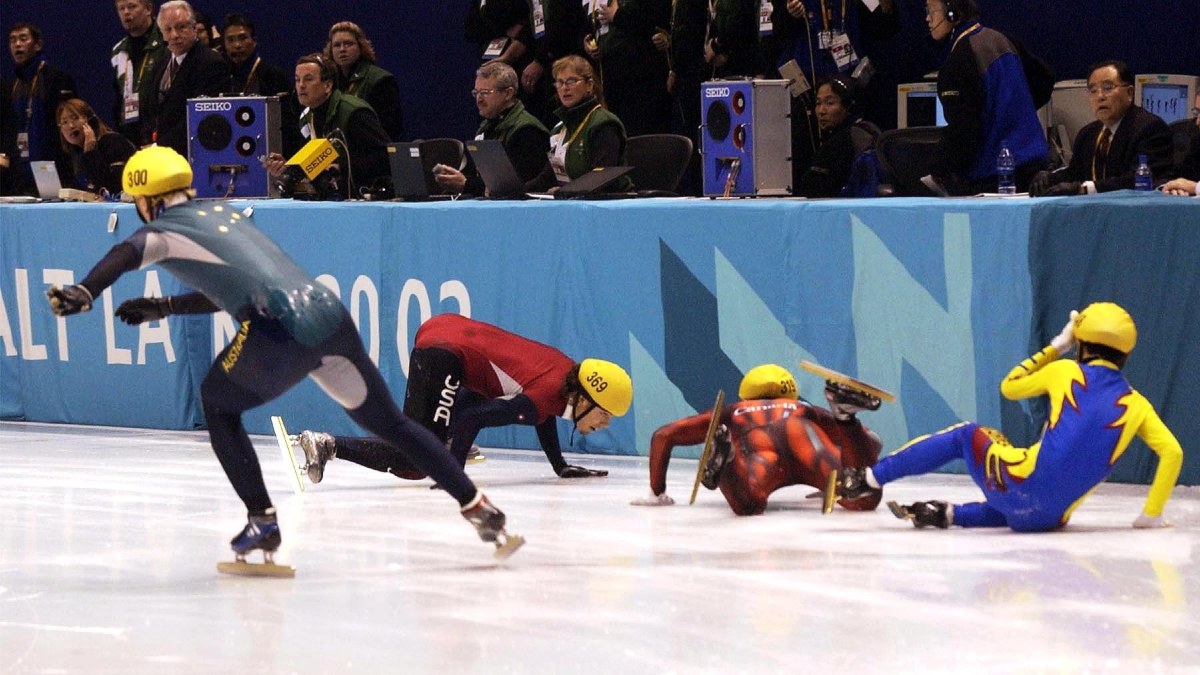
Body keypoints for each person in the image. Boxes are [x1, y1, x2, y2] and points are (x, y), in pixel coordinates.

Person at [45, 146, 521, 563]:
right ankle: (479, 506)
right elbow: (234, 285)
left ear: (146, 200)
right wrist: (166, 306)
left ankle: (262, 520)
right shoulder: (224, 214)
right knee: (391, 425)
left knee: (217, 404)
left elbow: (124, 255)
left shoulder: (165, 228)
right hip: (328, 315)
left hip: (277, 326)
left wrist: (84, 291)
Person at [834, 302, 1183, 532]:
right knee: (1026, 491)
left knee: (968, 436)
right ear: (1125, 355)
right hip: (1049, 520)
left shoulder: (1064, 372)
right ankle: (949, 514)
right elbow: (1173, 453)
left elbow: (1009, 387)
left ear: (1081, 344)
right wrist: (1150, 514)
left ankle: (867, 479)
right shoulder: (1137, 405)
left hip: (1014, 487)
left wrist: (1056, 346)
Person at [289, 313, 632, 485]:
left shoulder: (564, 377)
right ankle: (327, 444)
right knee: (418, 461)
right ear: (584, 398)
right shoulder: (547, 393)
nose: (605, 424)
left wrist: (559, 465)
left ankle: (331, 444)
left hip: (446, 336)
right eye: (604, 414)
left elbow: (543, 416)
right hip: (449, 354)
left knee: (437, 430)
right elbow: (476, 419)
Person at [633, 364, 883, 515]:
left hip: (757, 444)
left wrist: (657, 493)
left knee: (748, 504)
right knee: (862, 498)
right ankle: (845, 415)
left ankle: (729, 463)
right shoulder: (802, 408)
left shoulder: (733, 410)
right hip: (801, 434)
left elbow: (664, 435)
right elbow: (872, 441)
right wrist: (835, 473)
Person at [920, 0, 1047, 196]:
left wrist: (936, 167)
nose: (927, 18)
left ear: (952, 13)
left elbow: (963, 132)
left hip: (993, 180)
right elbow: (1045, 79)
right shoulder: (1002, 39)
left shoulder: (959, 60)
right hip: (1034, 169)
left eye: (931, 10)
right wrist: (1013, 117)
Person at [772, 0, 898, 183]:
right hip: (807, 89)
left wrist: (887, 9)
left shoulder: (856, 4)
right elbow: (778, 32)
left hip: (849, 88)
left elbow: (882, 30)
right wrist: (790, 14)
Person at [1030, 61, 1174, 197]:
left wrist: (1084, 189)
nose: (1100, 96)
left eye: (1108, 88)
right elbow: (1075, 173)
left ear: (1130, 93)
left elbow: (1138, 180)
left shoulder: (1149, 128)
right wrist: (1049, 178)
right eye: (1093, 90)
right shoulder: (1088, 133)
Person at [263, 53, 391, 199]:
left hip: (365, 197)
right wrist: (287, 168)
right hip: (331, 199)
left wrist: (342, 168)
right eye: (297, 80)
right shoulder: (307, 118)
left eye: (309, 79)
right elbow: (312, 163)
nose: (301, 85)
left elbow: (386, 157)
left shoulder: (352, 112)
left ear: (328, 85)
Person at [433, 61, 550, 196]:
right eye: (476, 93)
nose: (479, 99)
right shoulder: (486, 128)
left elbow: (518, 187)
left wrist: (466, 185)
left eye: (485, 92)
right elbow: (479, 177)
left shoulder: (527, 131)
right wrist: (456, 179)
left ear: (508, 93)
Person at [139, 1, 230, 156]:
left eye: (181, 27)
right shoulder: (162, 62)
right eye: (168, 29)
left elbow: (200, 118)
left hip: (194, 155)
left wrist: (160, 146)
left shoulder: (211, 63)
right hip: (161, 157)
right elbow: (151, 110)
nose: (175, 35)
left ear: (193, 28)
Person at [530, 54, 632, 192]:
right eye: (559, 82)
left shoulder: (604, 123)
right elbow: (547, 178)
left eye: (571, 81)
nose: (565, 88)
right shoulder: (559, 130)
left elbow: (601, 178)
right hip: (573, 203)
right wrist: (516, 192)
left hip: (611, 205)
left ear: (589, 85)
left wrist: (564, 192)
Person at [584, 0, 672, 137]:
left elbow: (655, 20)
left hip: (642, 75)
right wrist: (589, 43)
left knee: (642, 135)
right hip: (610, 76)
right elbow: (588, 26)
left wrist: (617, 16)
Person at [8, 21, 78, 187]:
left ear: (38, 44)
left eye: (23, 38)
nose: (17, 44)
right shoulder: (13, 86)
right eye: (13, 40)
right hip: (21, 170)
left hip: (52, 168)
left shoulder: (56, 79)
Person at [796, 75, 879, 198]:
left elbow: (812, 190)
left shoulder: (841, 142)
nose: (821, 111)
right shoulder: (866, 129)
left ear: (848, 106)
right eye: (818, 103)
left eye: (830, 103)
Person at [324, 21, 404, 141]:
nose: (342, 49)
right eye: (337, 45)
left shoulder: (379, 79)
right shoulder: (329, 83)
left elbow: (390, 129)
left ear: (361, 47)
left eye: (348, 44)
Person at [111, 0, 167, 145]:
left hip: (161, 129)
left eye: (131, 6)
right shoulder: (118, 51)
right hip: (130, 132)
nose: (126, 12)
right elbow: (118, 95)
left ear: (148, 9)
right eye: (121, 8)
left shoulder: (166, 42)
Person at [55, 98, 136, 195]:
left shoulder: (114, 143)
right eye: (64, 122)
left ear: (90, 120)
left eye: (75, 118)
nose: (71, 126)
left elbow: (113, 188)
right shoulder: (76, 153)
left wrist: (91, 153)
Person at [220, 14, 290, 97]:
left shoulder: (273, 76)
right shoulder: (219, 76)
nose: (237, 45)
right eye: (230, 40)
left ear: (254, 40)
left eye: (243, 38)